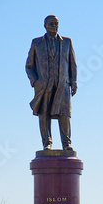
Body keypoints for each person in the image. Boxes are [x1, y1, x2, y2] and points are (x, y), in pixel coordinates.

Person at [26, 15, 77, 151]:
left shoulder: (66, 42)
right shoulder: (37, 43)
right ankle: (46, 142)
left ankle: (66, 143)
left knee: (64, 114)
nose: (54, 26)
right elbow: (29, 66)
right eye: (51, 24)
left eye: (56, 23)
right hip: (43, 85)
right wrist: (35, 81)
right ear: (45, 26)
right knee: (44, 113)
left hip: (62, 84)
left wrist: (74, 81)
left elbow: (72, 63)